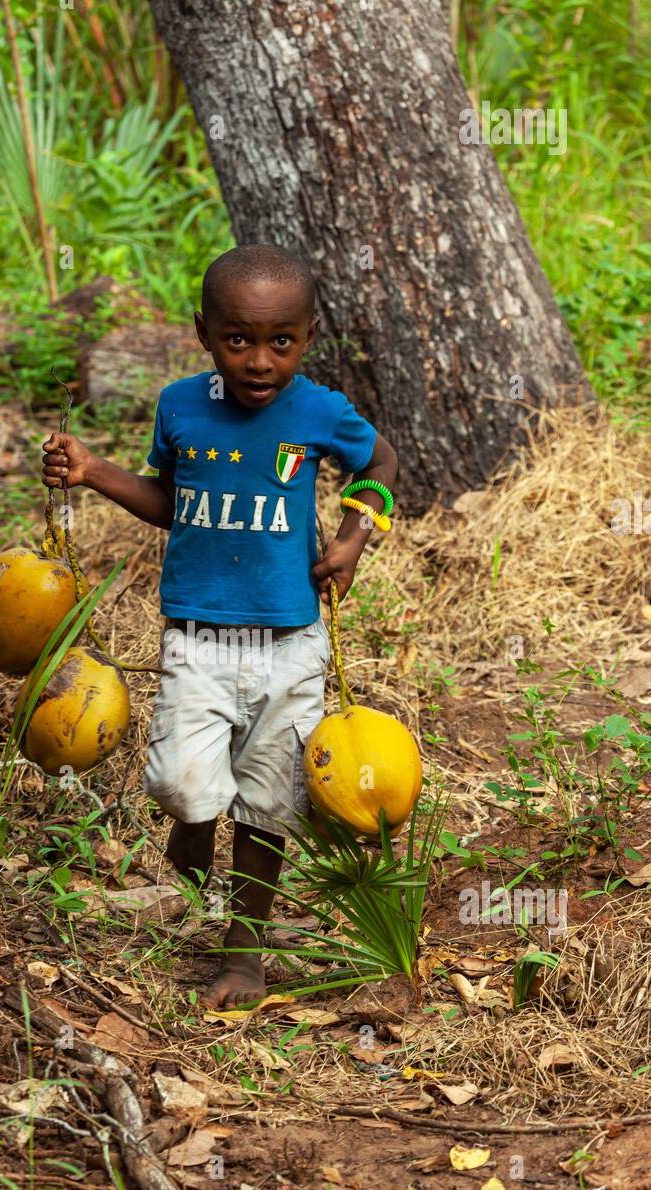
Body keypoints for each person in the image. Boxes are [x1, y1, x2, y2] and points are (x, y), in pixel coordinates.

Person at [42, 244, 397, 1008]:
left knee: (269, 805)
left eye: (281, 341)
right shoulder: (180, 406)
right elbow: (174, 504)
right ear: (204, 331)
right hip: (197, 638)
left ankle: (243, 953)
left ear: (308, 336)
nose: (260, 361)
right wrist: (94, 473)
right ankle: (196, 823)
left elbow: (381, 464)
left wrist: (353, 540)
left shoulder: (320, 411)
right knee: (177, 782)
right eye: (238, 339)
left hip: (291, 642)